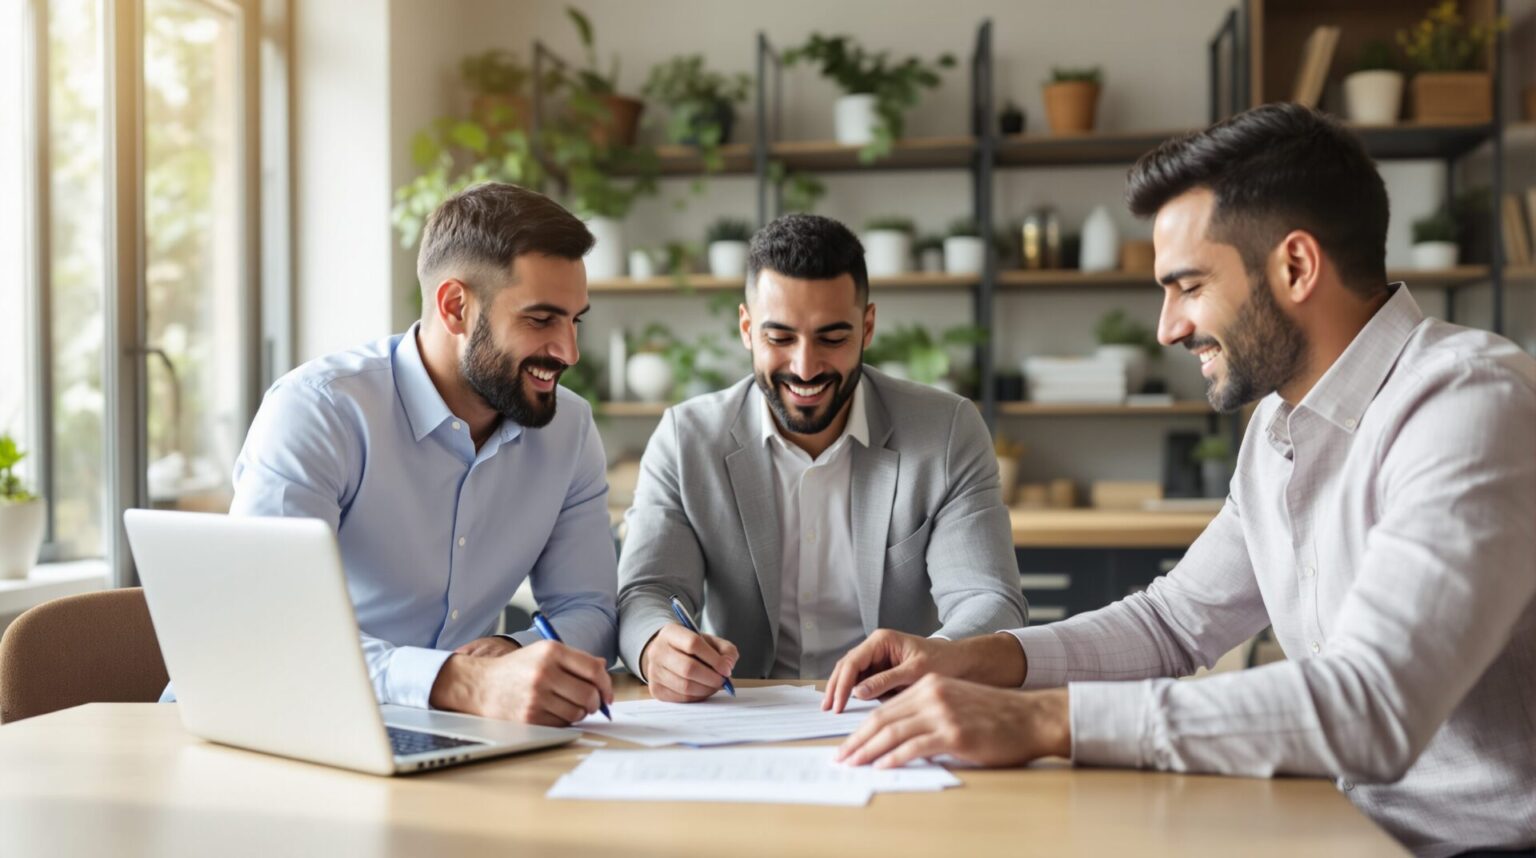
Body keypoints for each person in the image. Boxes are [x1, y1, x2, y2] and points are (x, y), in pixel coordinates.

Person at [823, 104, 1536, 858]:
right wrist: (976, 658)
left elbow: (1377, 704)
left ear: (1296, 267)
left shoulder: (1467, 402)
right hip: (1347, 829)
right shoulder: (1278, 428)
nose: (1167, 328)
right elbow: (1173, 623)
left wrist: (1048, 720)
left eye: (1188, 286)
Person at [218, 182, 617, 727]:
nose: (569, 352)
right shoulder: (320, 410)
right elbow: (266, 626)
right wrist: (457, 681)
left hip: (448, 731)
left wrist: (510, 653)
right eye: (541, 320)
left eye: (575, 321)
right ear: (455, 307)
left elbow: (591, 610)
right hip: (274, 720)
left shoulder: (568, 429)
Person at [617, 213, 1027, 702]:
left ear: (867, 327)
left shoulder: (947, 431)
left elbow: (990, 600)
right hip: (743, 710)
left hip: (894, 709)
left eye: (832, 338)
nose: (805, 367)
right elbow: (646, 591)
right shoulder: (685, 439)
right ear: (747, 328)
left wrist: (935, 657)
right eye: (780, 338)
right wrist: (656, 647)